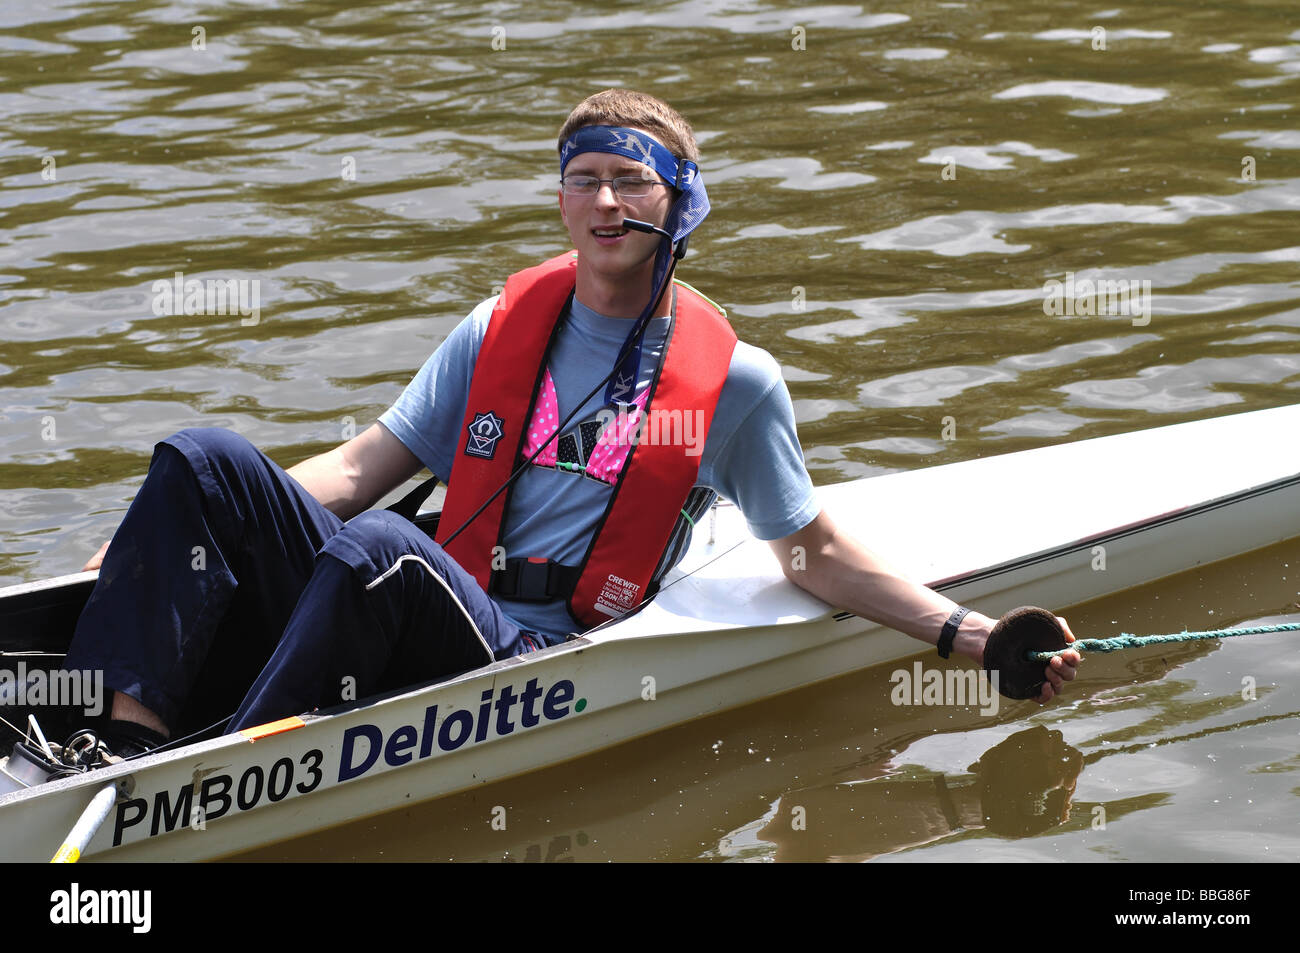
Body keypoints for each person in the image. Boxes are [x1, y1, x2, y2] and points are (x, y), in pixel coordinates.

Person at [63, 89, 1079, 758]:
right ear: (561, 202)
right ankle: (132, 737)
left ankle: (213, 771)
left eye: (630, 178)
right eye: (583, 178)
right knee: (200, 459)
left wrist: (972, 633)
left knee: (383, 552)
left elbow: (810, 553)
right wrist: (177, 532)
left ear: (678, 205)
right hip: (419, 585)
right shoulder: (496, 328)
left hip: (528, 650)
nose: (603, 198)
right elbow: (360, 469)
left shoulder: (736, 385)